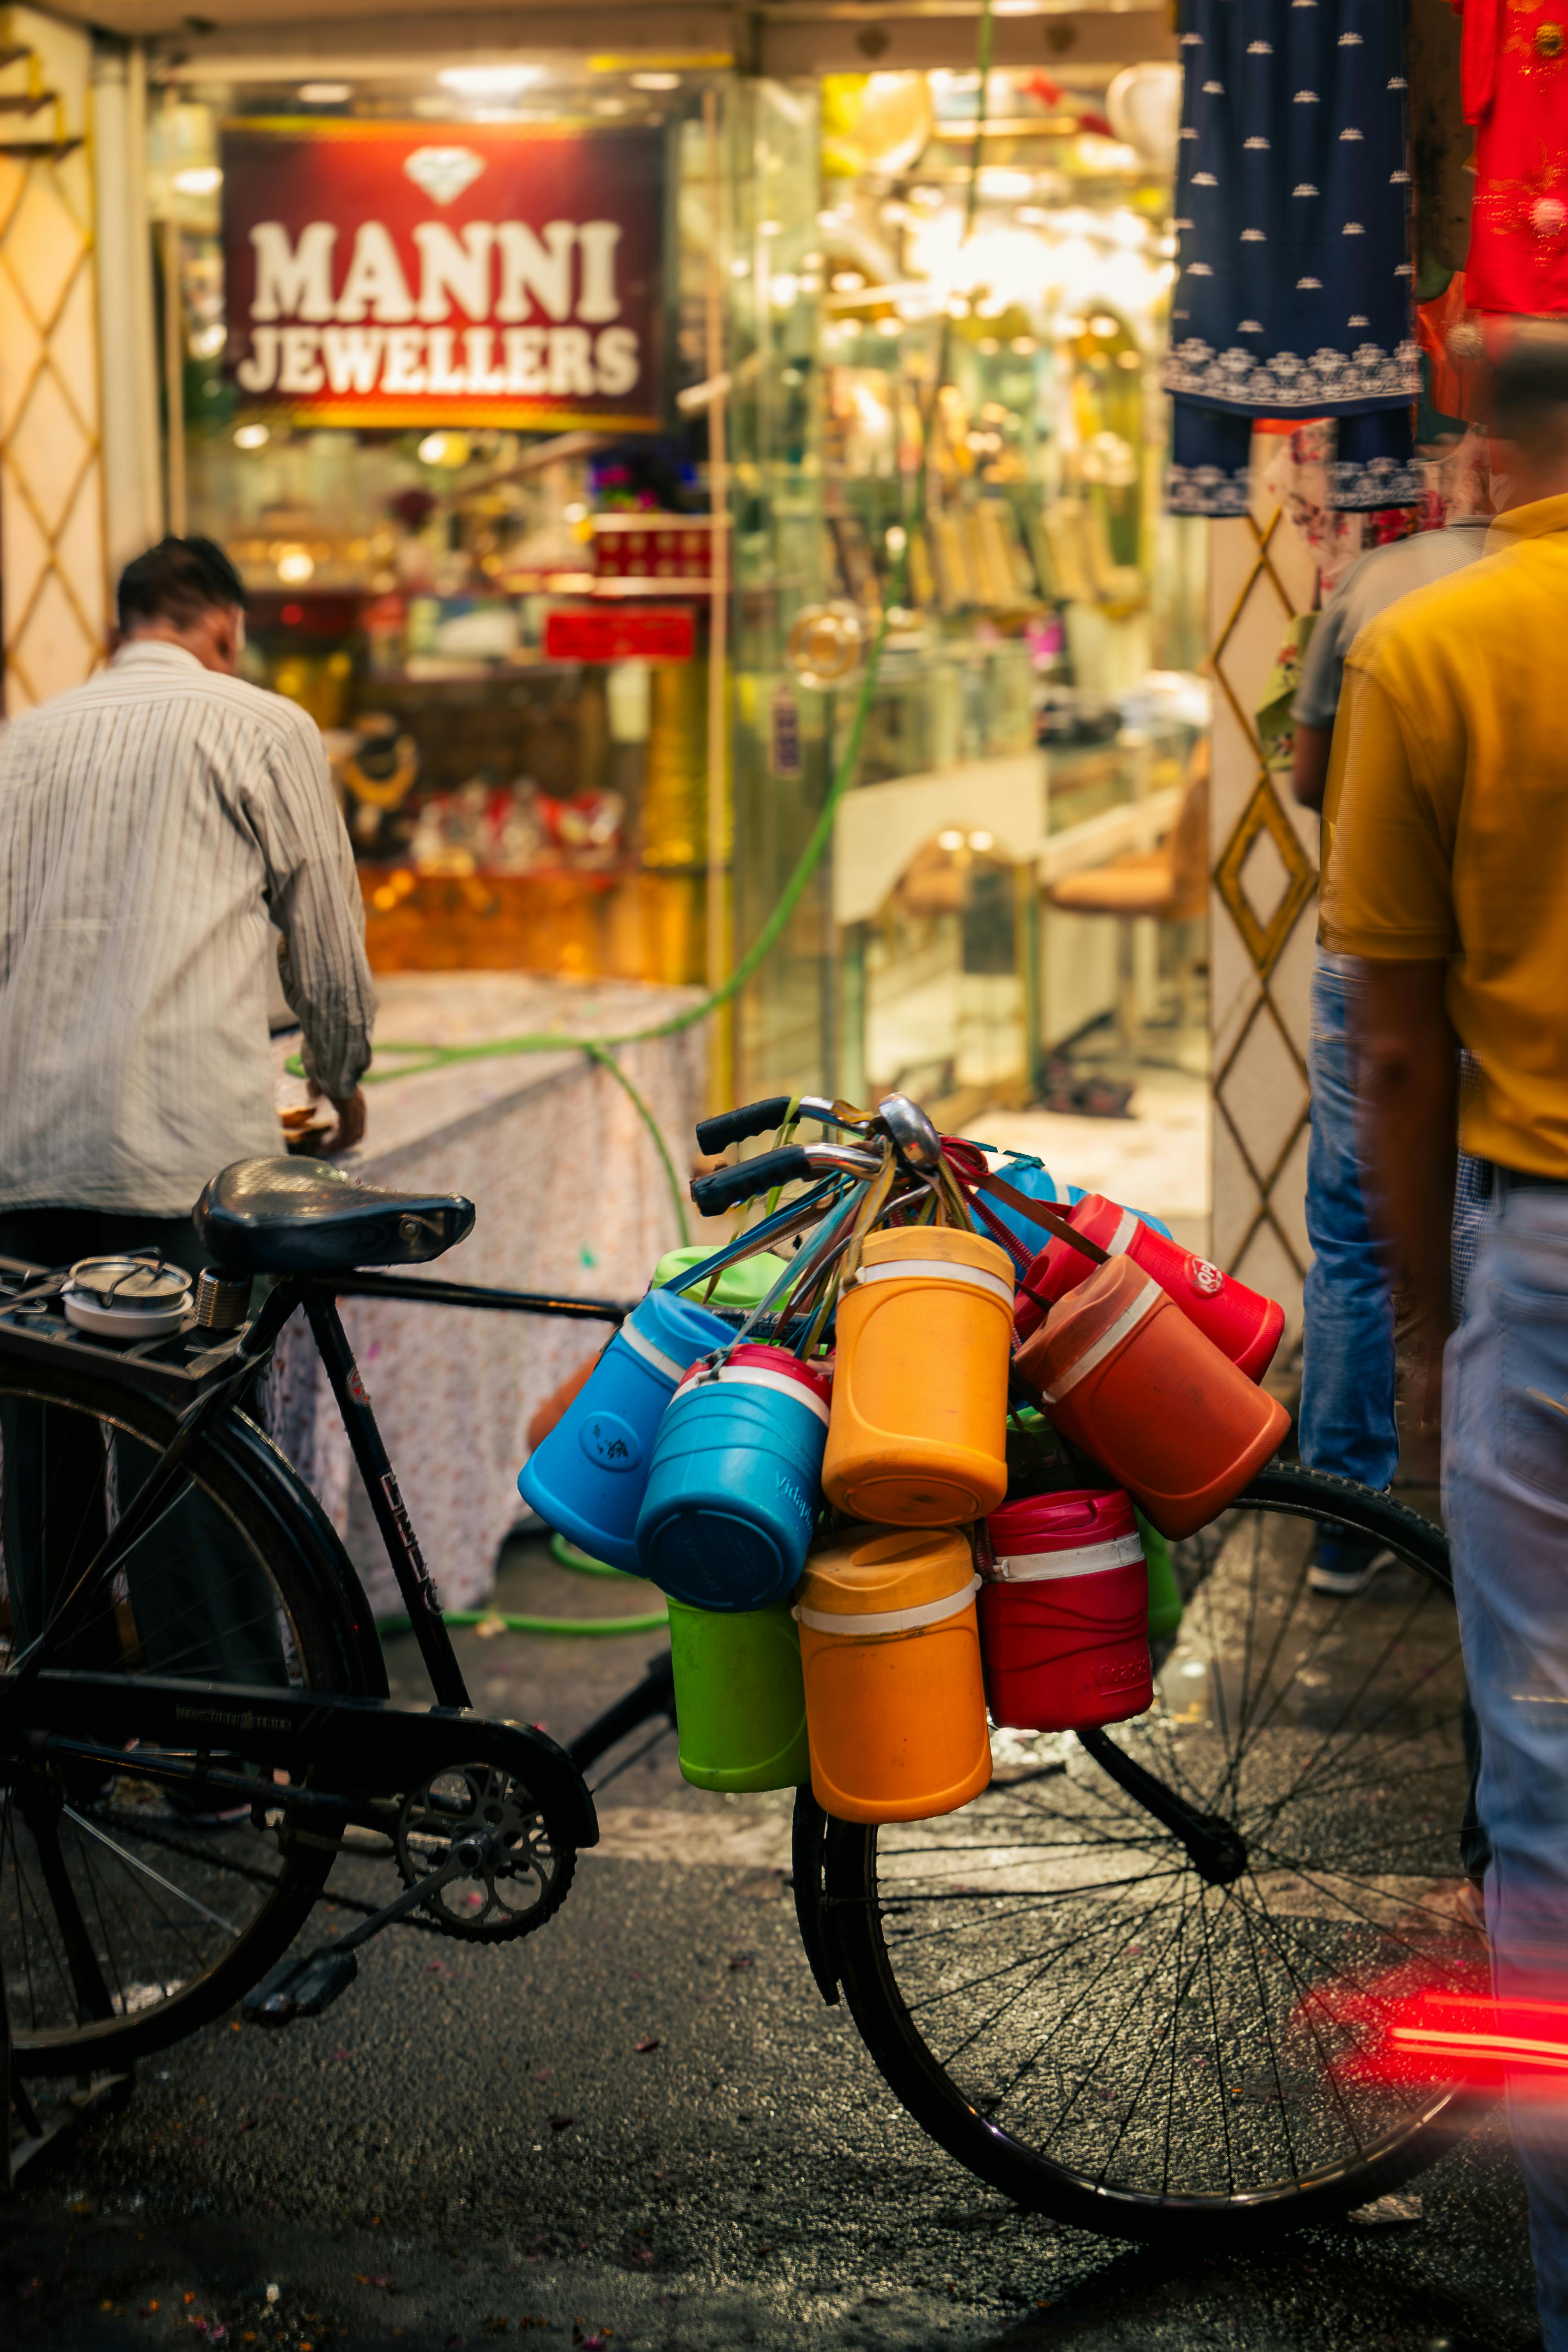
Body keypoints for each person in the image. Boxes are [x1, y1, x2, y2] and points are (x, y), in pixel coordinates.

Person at [1322, 332, 1568, 2351]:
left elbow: (1393, 1052)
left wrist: (1413, 1345)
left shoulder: (1436, 645)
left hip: (1547, 1266)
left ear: (1489, 452)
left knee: (1553, 1793)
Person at [0, 534, 375, 1684]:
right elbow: (324, 939)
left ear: (122, 624)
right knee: (187, 1457)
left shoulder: (19, 746)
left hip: (23, 1156)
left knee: (46, 1455)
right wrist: (338, 1078)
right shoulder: (259, 724)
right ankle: (217, 1729)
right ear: (223, 624)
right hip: (177, 1163)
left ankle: (60, 1728)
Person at [1290, 481, 1492, 1595]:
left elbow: (1315, 777)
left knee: (1354, 1243)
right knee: (1489, 1228)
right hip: (1502, 952)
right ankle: (1484, 1521)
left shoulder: (1373, 584)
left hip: (1369, 951)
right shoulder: (1541, 596)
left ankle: (1344, 1523)